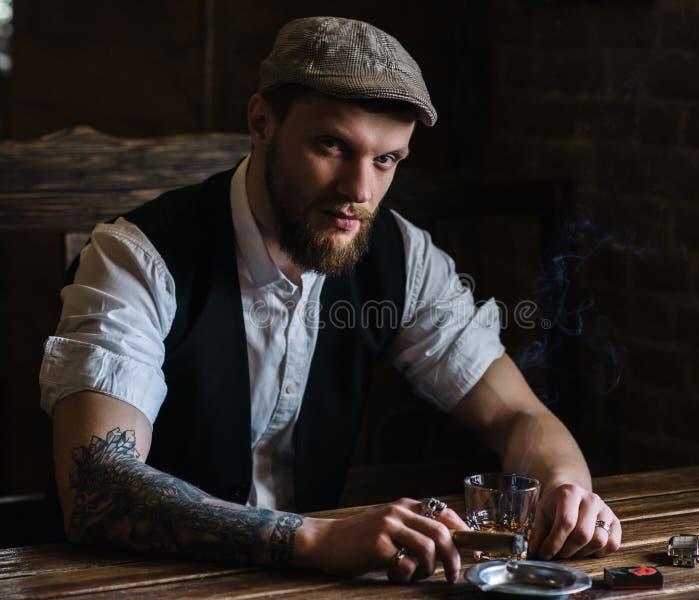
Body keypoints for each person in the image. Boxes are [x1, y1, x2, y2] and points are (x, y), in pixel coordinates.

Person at [39, 16, 620, 584]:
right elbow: (96, 486)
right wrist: (317, 539)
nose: (360, 192)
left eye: (386, 159)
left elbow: (518, 416)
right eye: (332, 145)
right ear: (261, 121)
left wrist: (567, 490)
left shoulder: (402, 257)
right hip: (135, 584)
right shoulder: (137, 257)